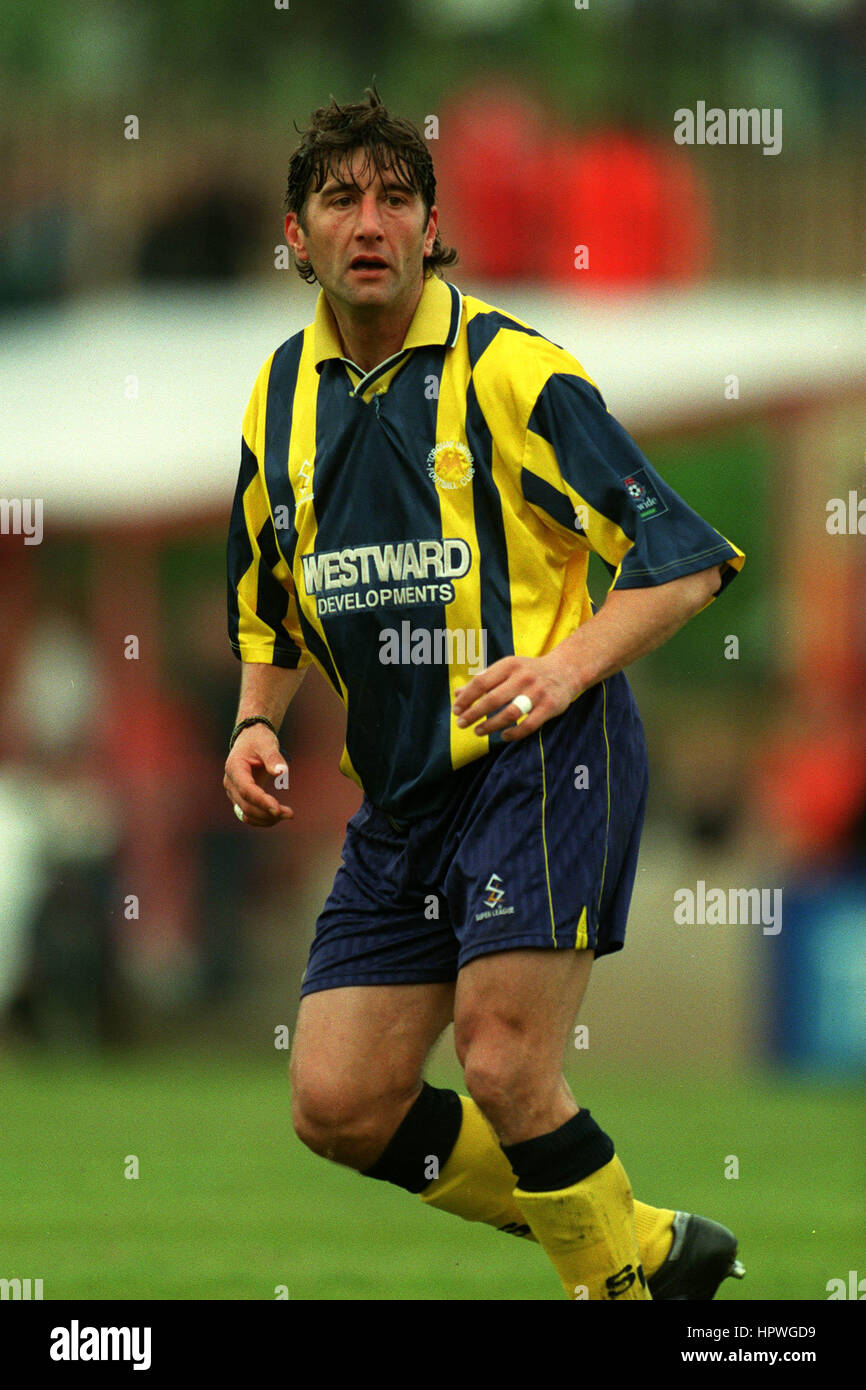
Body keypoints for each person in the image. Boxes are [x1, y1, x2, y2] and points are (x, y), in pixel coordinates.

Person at [224, 88, 746, 1301]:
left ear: (430, 225)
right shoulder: (275, 400)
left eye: (394, 198)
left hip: (544, 753)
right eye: (340, 199)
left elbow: (688, 556)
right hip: (403, 792)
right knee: (340, 1102)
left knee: (505, 1061)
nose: (369, 222)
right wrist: (255, 716)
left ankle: (612, 1287)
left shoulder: (515, 372)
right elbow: (273, 604)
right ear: (294, 232)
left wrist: (562, 666)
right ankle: (640, 1244)